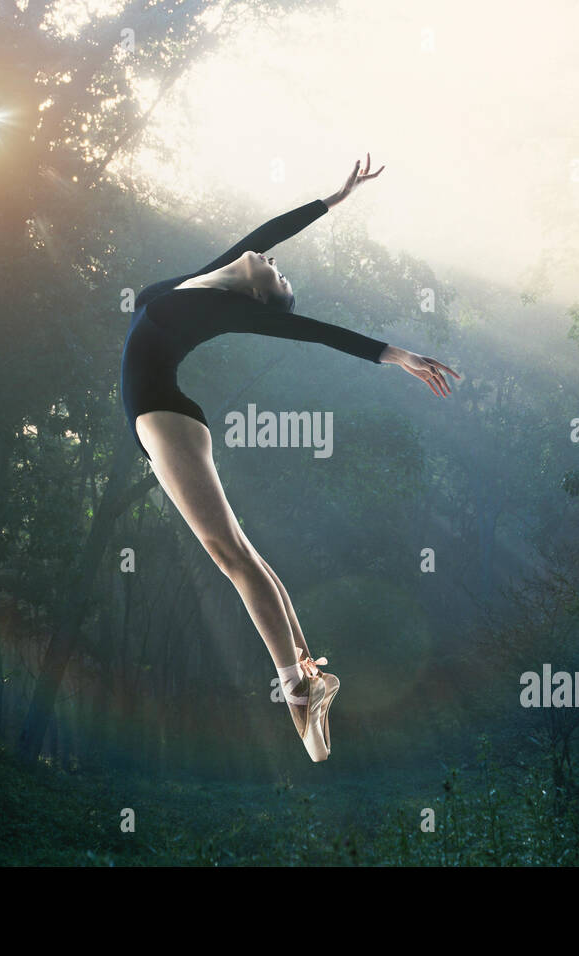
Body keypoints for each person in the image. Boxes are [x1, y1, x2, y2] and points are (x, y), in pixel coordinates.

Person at [120, 154, 460, 760]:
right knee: (242, 553)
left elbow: (318, 332)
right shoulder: (206, 280)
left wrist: (399, 356)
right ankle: (307, 671)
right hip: (166, 416)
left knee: (229, 557)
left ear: (258, 297)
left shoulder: (227, 306)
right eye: (277, 269)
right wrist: (334, 199)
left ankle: (296, 691)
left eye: (278, 278)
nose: (274, 265)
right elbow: (265, 235)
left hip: (163, 416)